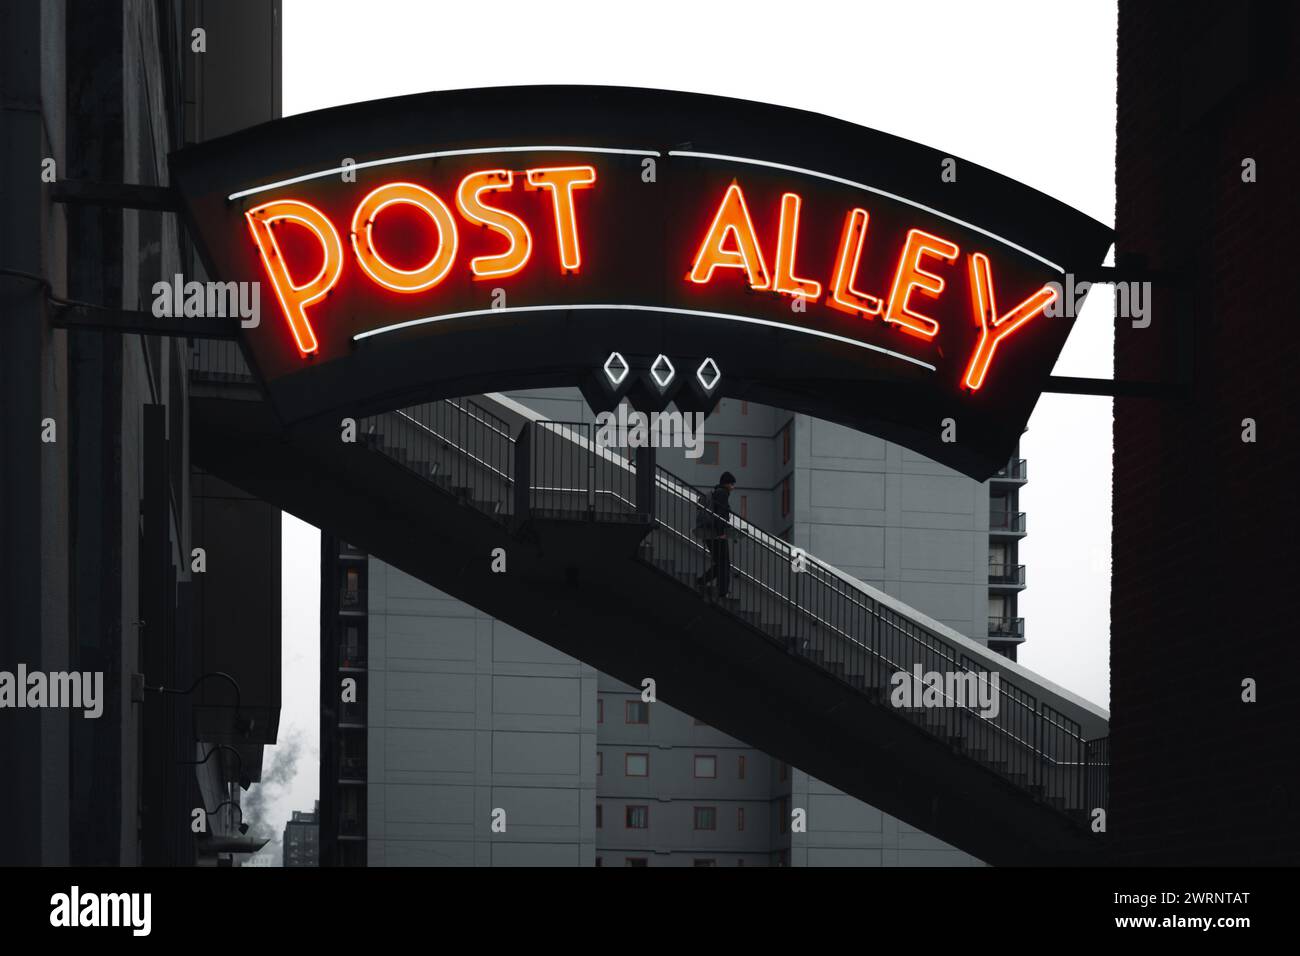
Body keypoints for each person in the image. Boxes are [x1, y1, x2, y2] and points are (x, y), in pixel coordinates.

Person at [696, 471, 736, 598]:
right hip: (716, 534)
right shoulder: (722, 494)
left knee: (720, 562)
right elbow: (720, 516)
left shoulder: (715, 493)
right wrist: (722, 533)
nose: (733, 487)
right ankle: (722, 591)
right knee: (724, 563)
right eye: (732, 484)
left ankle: (701, 581)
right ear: (727, 484)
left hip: (709, 532)